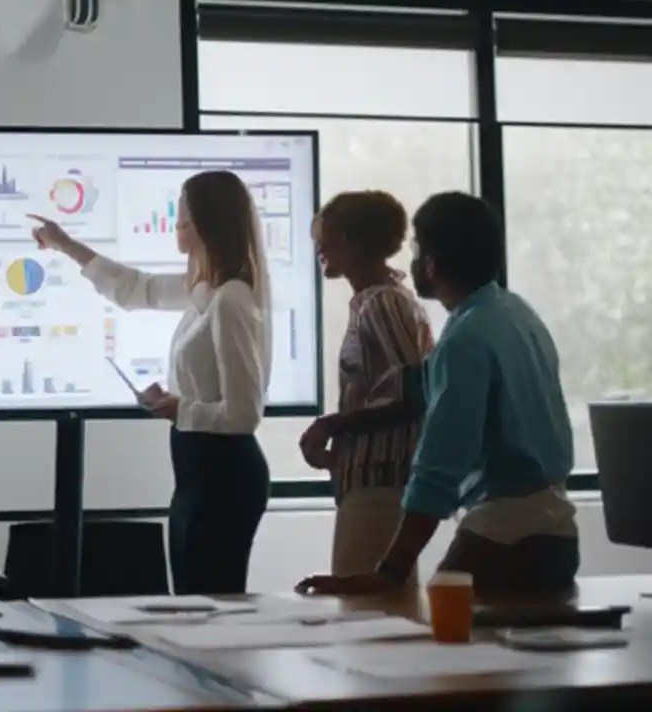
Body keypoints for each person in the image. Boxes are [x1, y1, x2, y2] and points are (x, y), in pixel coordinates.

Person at [297, 191, 578, 597]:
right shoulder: (516, 315)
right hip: (558, 533)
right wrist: (336, 419)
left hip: (503, 536)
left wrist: (390, 571)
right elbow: (422, 380)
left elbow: (439, 463)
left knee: (430, 645)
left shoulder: (463, 340)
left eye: (416, 249)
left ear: (432, 262)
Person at [30, 170, 271, 595]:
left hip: (224, 474)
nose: (177, 226)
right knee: (194, 601)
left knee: (211, 606)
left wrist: (183, 408)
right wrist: (65, 244)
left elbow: (244, 414)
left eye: (184, 217)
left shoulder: (231, 298)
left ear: (208, 224)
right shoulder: (204, 290)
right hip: (196, 469)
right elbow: (136, 290)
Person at [298, 192, 434, 578]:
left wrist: (330, 425)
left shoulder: (382, 304)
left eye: (328, 235)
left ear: (352, 239)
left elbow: (411, 394)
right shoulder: (383, 301)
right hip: (371, 482)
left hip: (381, 483)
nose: (320, 246)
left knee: (365, 614)